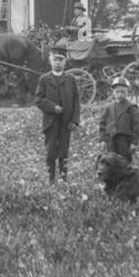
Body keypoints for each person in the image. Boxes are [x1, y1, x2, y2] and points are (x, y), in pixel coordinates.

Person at [33, 43, 81, 183]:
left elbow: (76, 100)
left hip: (66, 122)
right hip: (50, 122)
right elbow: (38, 99)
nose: (58, 62)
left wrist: (74, 120)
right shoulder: (44, 79)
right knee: (51, 151)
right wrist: (53, 107)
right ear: (50, 61)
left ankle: (63, 178)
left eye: (61, 59)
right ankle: (51, 179)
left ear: (65, 61)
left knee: (64, 151)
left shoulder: (70, 79)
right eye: (55, 59)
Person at [99, 74, 139, 162]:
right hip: (111, 139)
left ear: (127, 92)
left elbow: (137, 125)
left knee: (124, 162)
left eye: (123, 92)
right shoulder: (109, 107)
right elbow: (102, 124)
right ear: (113, 92)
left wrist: (134, 142)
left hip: (125, 140)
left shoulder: (131, 107)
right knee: (111, 161)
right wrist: (103, 139)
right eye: (117, 91)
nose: (120, 94)